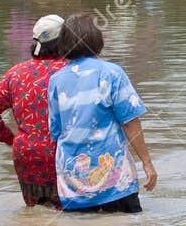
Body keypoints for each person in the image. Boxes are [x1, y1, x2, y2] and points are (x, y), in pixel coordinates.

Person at [46, 12, 157, 212]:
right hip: (114, 179)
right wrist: (147, 163)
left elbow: (56, 131)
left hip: (73, 182)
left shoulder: (56, 81)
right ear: (97, 40)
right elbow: (130, 122)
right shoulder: (112, 73)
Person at [0, 14, 68, 208]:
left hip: (26, 153)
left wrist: (10, 139)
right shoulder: (71, 71)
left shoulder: (16, 72)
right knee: (68, 214)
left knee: (36, 213)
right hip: (64, 152)